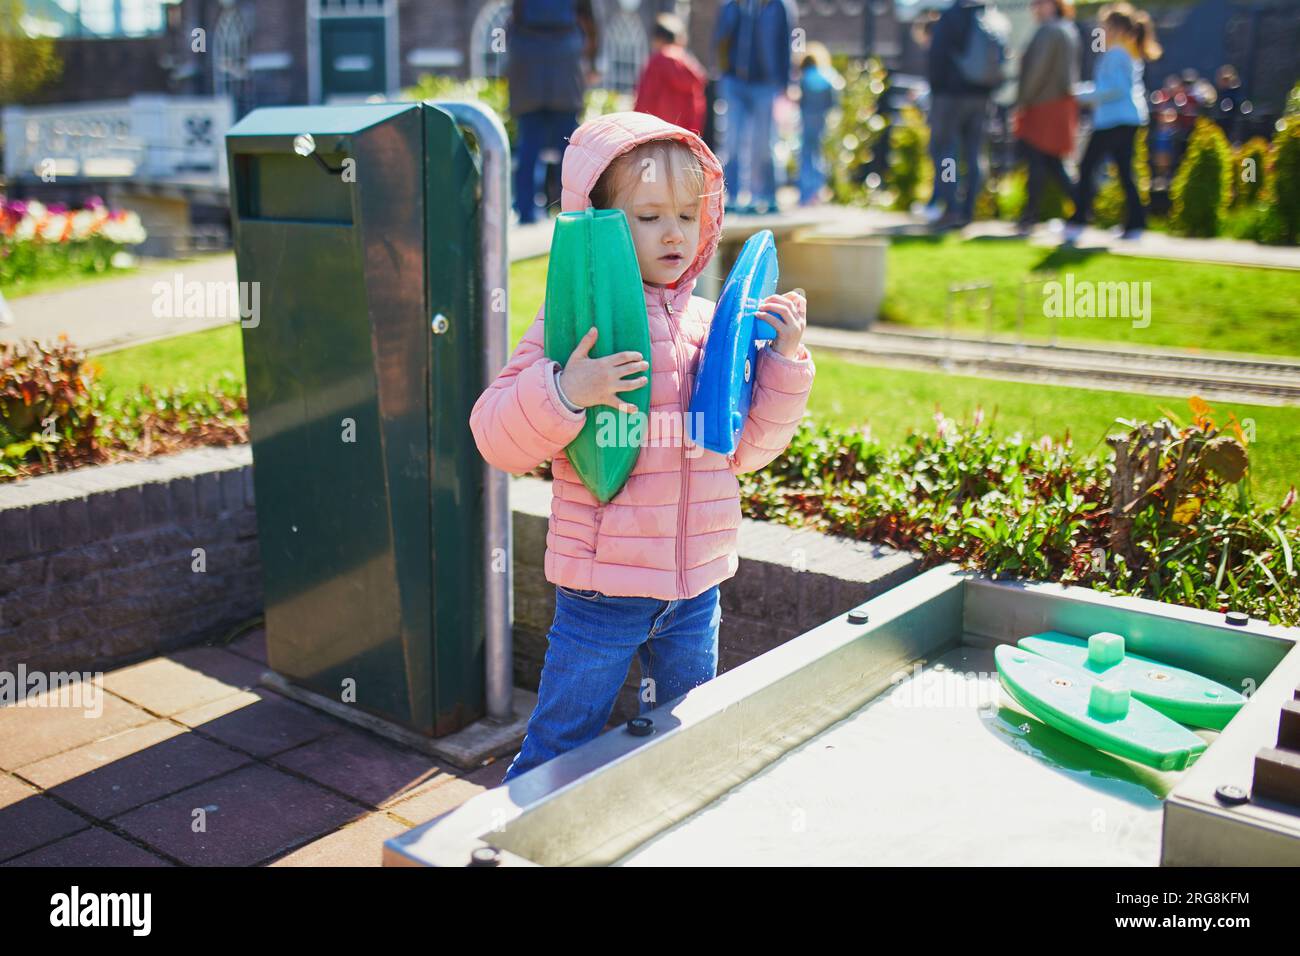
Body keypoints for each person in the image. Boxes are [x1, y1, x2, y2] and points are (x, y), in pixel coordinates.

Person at [469, 111, 815, 783]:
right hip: (605, 592)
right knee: (560, 744)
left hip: (697, 588)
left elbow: (743, 450)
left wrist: (785, 362)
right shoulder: (575, 324)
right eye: (649, 215)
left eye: (688, 216)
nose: (674, 233)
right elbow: (495, 434)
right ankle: (514, 841)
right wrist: (567, 389)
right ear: (598, 221)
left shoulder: (713, 322)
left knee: (683, 740)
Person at [1066, 1, 1161, 241]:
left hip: (1114, 120)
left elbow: (1114, 88)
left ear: (1116, 27)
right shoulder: (1125, 50)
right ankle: (1135, 223)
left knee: (1087, 167)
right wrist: (1083, 92)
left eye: (1105, 25)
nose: (1101, 30)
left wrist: (1079, 95)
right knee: (1124, 171)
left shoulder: (1117, 53)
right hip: (1126, 118)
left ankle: (1079, 219)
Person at [507, 0, 599, 225]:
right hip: (565, 70)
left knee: (528, 148)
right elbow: (591, 23)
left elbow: (511, 24)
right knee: (570, 149)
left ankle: (526, 211)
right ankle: (571, 208)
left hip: (528, 70)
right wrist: (592, 62)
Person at [926, 0, 1010, 229]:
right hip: (982, 98)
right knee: (974, 154)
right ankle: (968, 209)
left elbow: (937, 56)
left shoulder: (952, 16)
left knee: (946, 154)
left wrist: (936, 89)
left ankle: (951, 207)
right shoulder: (991, 17)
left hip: (951, 96)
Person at [711, 0, 798, 214]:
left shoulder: (779, 6)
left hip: (765, 83)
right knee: (731, 141)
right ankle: (732, 196)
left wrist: (787, 83)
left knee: (763, 143)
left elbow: (786, 44)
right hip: (734, 82)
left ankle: (765, 196)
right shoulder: (732, 5)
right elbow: (720, 39)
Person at [1011, 0, 1079, 235]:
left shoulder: (1050, 31)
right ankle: (1080, 206)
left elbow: (1037, 71)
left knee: (1041, 162)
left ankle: (1032, 214)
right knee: (1051, 161)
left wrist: (1023, 101)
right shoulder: (1068, 29)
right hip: (1057, 104)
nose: (1034, 8)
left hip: (1043, 105)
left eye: (1038, 3)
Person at [633, 14, 708, 135]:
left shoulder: (657, 61)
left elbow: (645, 100)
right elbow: (698, 107)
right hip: (684, 137)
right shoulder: (690, 65)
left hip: (656, 135)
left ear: (658, 39)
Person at [795, 42, 843, 207]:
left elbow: (801, 101)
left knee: (806, 156)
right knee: (820, 155)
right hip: (822, 121)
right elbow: (834, 100)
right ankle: (818, 191)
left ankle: (805, 195)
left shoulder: (805, 77)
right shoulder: (827, 76)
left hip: (808, 120)